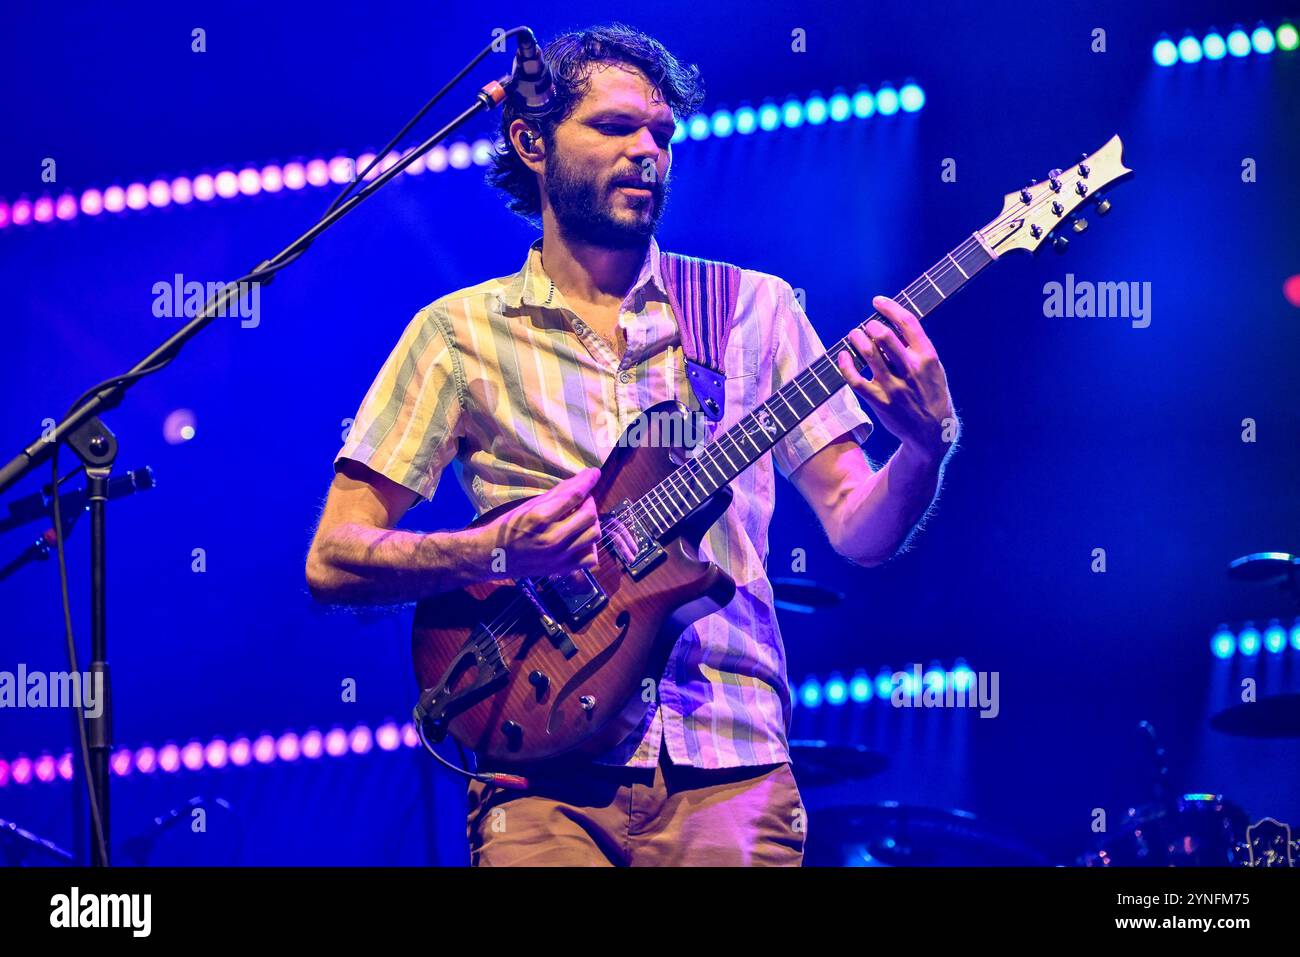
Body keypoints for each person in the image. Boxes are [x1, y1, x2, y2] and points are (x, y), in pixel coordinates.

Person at [305, 23, 957, 866]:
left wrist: (924, 447)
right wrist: (495, 550)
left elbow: (859, 529)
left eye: (663, 134)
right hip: (537, 770)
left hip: (730, 764)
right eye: (615, 128)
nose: (648, 151)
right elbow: (334, 559)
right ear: (530, 141)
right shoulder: (455, 334)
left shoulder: (751, 309)